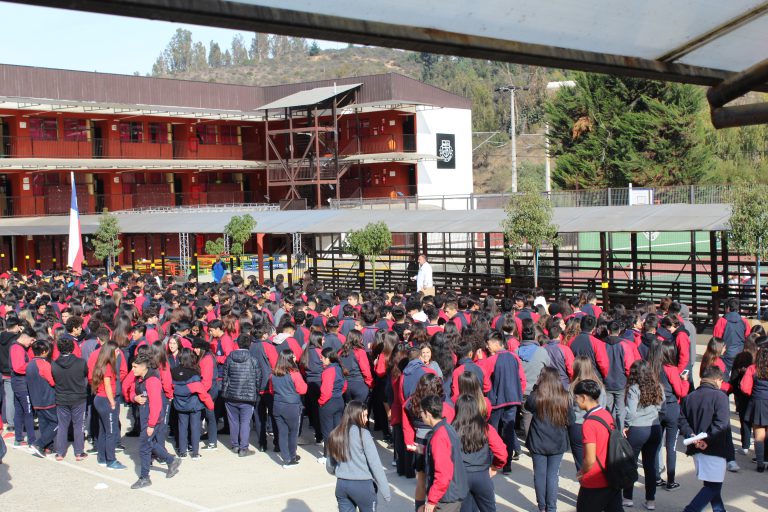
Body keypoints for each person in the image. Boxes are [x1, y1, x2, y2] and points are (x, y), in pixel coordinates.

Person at [679, 366, 730, 512]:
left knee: (711, 486)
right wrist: (704, 440)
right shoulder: (720, 397)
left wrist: (691, 436)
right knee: (713, 487)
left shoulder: (690, 397)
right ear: (717, 379)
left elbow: (681, 420)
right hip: (714, 449)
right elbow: (721, 424)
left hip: (696, 448)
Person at [326, 400, 392, 511]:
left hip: (342, 485)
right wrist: (386, 492)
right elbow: (374, 463)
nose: (367, 419)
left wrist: (340, 472)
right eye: (364, 416)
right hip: (363, 486)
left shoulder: (335, 434)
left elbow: (330, 465)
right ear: (355, 415)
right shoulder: (363, 434)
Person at [128, 353, 182, 489]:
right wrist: (135, 398)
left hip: (152, 419)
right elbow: (130, 390)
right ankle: (171, 460)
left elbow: (156, 405)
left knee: (144, 447)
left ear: (143, 367)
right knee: (149, 443)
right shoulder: (139, 378)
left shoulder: (152, 381)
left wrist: (151, 425)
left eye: (135, 367)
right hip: (145, 416)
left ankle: (144, 477)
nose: (132, 370)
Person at [525, 367, 574, 512]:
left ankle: (542, 507)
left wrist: (535, 387)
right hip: (557, 441)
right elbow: (571, 420)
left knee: (539, 475)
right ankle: (551, 507)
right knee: (552, 476)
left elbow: (527, 406)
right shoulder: (564, 397)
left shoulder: (536, 397)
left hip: (538, 440)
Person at [451, 394, 506, 512]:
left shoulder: (451, 430)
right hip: (482, 475)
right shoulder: (486, 428)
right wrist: (495, 466)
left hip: (460, 477)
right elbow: (502, 453)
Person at [574, 379, 622, 512]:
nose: (575, 401)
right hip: (612, 475)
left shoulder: (589, 423)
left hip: (595, 480)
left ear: (584, 397)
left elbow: (590, 459)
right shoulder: (606, 414)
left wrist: (581, 472)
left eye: (576, 397)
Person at [622, 360, 664, 510]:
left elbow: (631, 411)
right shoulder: (658, 386)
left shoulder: (634, 388)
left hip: (638, 429)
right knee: (650, 465)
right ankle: (650, 500)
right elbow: (662, 407)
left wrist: (626, 425)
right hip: (654, 428)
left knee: (630, 463)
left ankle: (627, 498)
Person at [483, 331, 526, 472]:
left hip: (496, 401)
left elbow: (484, 381)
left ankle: (493, 461)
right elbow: (522, 379)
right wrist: (518, 393)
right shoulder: (514, 357)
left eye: (488, 344)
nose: (487, 347)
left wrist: (488, 394)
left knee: (493, 432)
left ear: (496, 343)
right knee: (508, 431)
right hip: (513, 400)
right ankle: (507, 464)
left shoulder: (491, 360)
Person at [421, 394, 469, 512]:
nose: (420, 415)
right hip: (454, 491)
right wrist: (423, 449)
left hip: (447, 497)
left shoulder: (439, 437)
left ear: (428, 413)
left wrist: (432, 500)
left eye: (421, 412)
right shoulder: (447, 427)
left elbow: (443, 474)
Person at [221, 335, 261, 457]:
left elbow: (225, 377)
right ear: (250, 344)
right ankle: (243, 448)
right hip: (248, 396)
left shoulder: (229, 358)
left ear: (237, 343)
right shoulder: (253, 360)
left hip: (231, 395)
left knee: (233, 421)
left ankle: (235, 445)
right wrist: (256, 392)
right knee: (245, 422)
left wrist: (225, 392)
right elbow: (258, 379)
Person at [171, 347, 214, 460]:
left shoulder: (174, 371)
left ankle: (182, 452)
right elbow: (200, 390)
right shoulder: (195, 372)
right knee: (195, 428)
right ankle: (195, 453)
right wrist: (210, 405)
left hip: (180, 404)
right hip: (194, 405)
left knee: (182, 427)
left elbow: (171, 387)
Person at [89, 340, 126, 470]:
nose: (118, 353)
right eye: (117, 351)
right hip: (106, 400)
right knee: (111, 431)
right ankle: (111, 460)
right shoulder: (108, 366)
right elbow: (107, 385)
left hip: (100, 399)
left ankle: (102, 458)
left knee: (103, 430)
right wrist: (112, 402)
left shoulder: (101, 364)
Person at [52, 336, 89, 460]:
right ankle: (79, 452)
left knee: (62, 426)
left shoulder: (54, 364)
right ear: (72, 348)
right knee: (78, 425)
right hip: (78, 397)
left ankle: (60, 453)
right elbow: (85, 374)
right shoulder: (81, 362)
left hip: (61, 397)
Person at [270, 349, 307, 467]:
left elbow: (271, 390)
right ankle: (292, 456)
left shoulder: (273, 374)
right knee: (293, 432)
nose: (295, 358)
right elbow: (303, 390)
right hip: (291, 406)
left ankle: (286, 458)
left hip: (277, 405)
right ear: (290, 359)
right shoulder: (295, 374)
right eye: (294, 356)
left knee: (282, 432)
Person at [569, 356, 606, 470]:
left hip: (577, 425)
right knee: (596, 459)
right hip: (596, 424)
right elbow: (603, 407)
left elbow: (569, 408)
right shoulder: (599, 386)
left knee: (580, 463)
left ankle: (583, 478)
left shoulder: (572, 387)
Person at [26, 340, 57, 458]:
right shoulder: (44, 364)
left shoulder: (30, 364)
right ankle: (39, 444)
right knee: (56, 423)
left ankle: (48, 447)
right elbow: (52, 382)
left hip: (36, 400)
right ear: (44, 351)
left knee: (44, 425)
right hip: (47, 399)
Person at [740, 345, 768, 472]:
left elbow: (744, 387)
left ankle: (760, 464)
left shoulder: (752, 368)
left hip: (757, 402)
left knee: (759, 436)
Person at [318, 346, 347, 464]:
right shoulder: (339, 368)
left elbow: (326, 390)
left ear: (328, 358)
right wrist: (339, 394)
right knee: (337, 431)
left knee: (327, 432)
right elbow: (344, 385)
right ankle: (338, 454)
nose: (320, 359)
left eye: (322, 357)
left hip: (328, 403)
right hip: (339, 400)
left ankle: (328, 456)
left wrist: (321, 402)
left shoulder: (328, 371)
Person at [9, 326, 36, 448]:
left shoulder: (18, 347)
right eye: (31, 340)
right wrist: (32, 365)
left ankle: (18, 438)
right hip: (21, 384)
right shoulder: (17, 348)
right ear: (26, 337)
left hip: (19, 383)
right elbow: (18, 367)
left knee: (19, 411)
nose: (32, 343)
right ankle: (32, 440)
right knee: (28, 412)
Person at [713, 297, 750, 378]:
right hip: (740, 354)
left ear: (728, 308)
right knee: (737, 377)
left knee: (724, 377)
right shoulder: (744, 321)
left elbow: (716, 339)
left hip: (725, 354)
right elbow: (748, 338)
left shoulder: (722, 321)